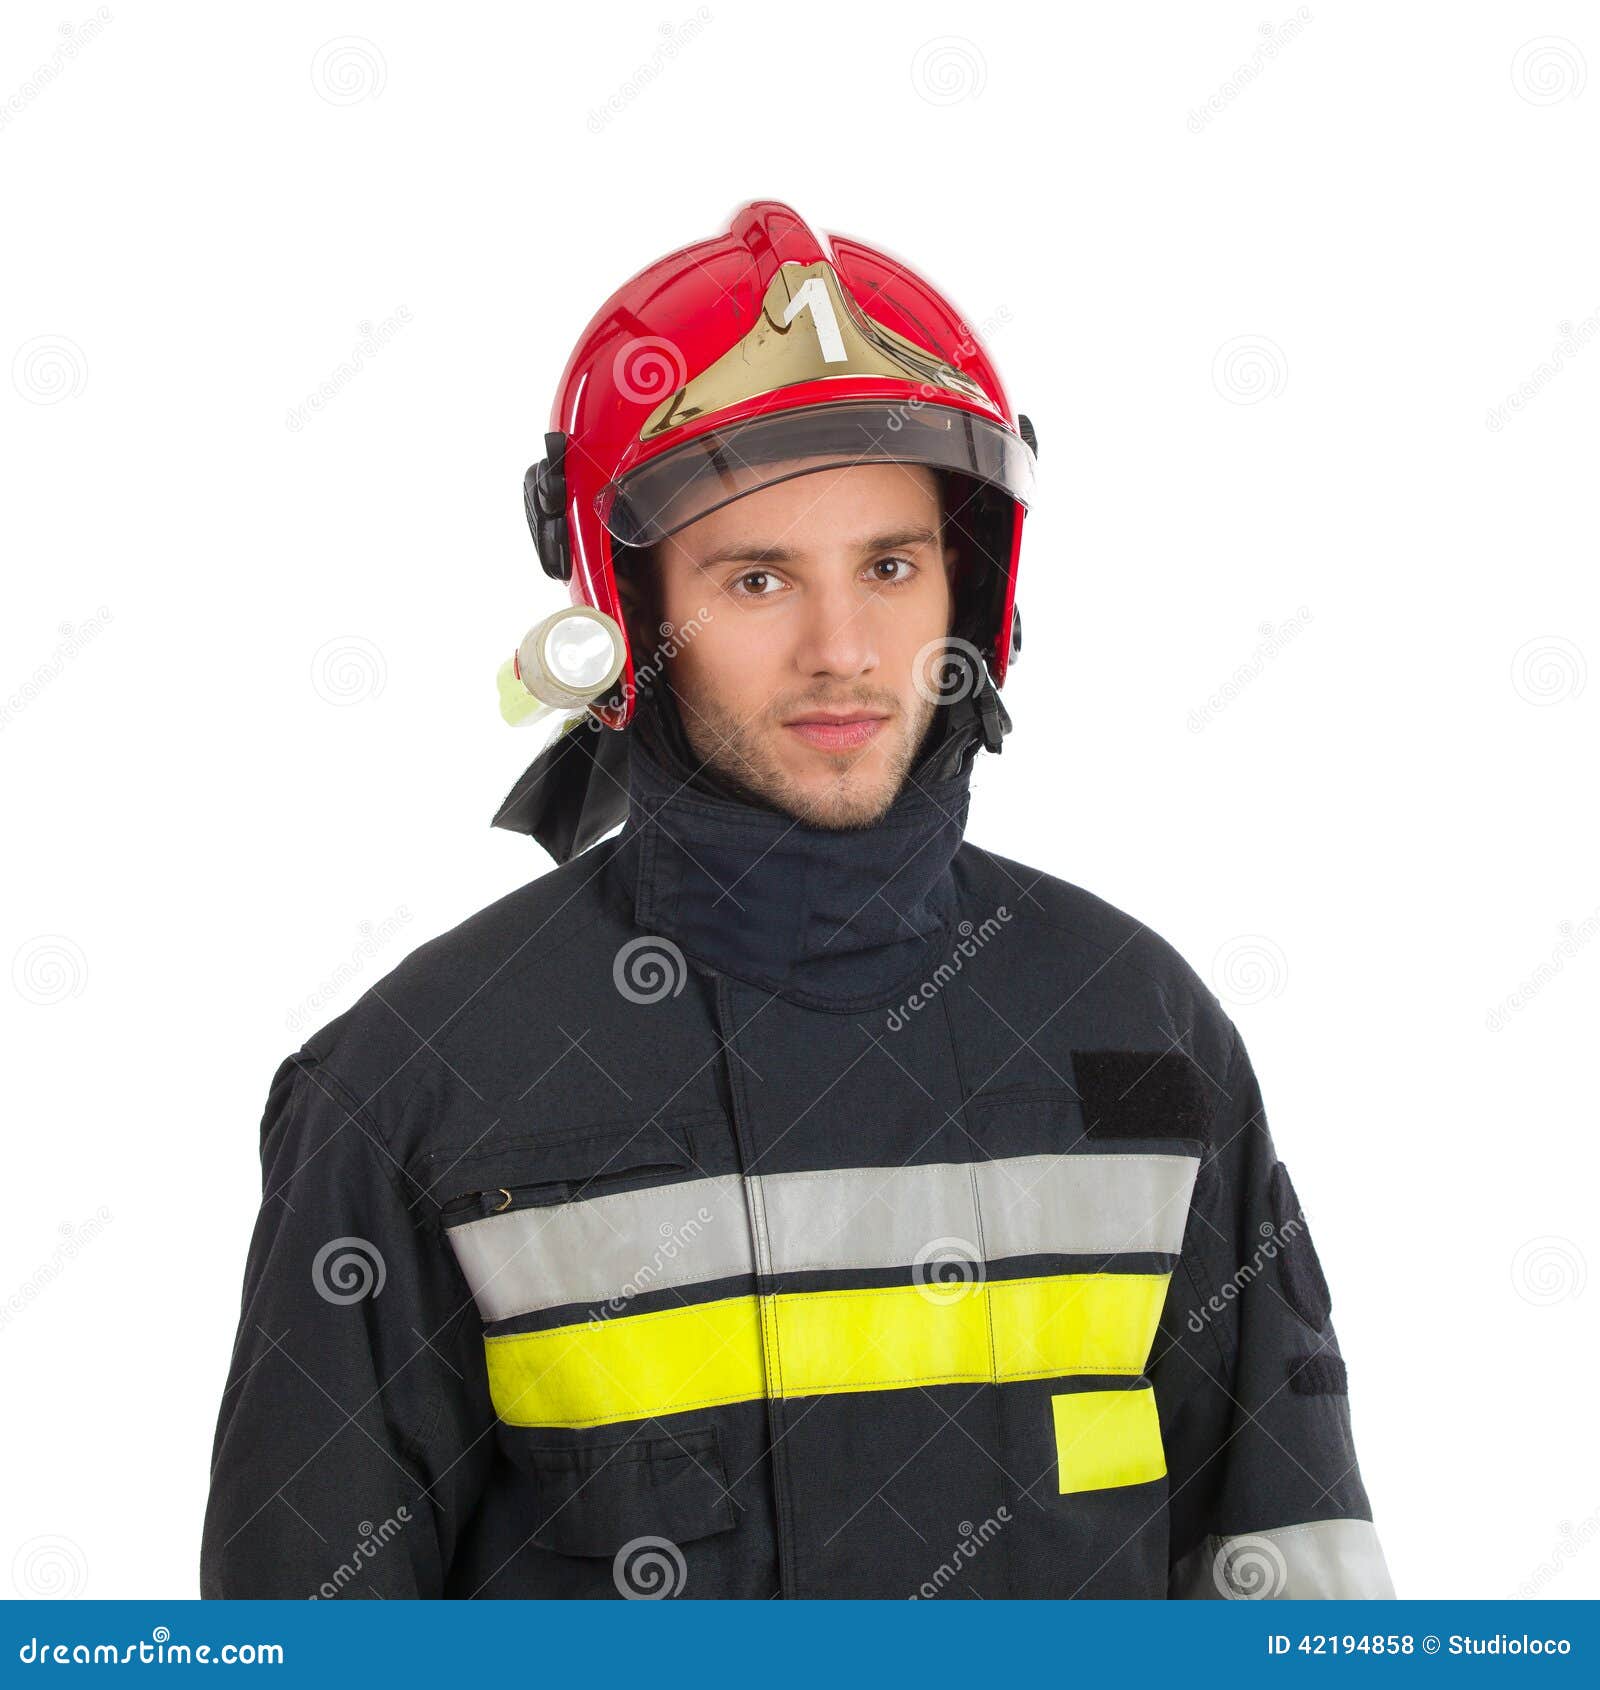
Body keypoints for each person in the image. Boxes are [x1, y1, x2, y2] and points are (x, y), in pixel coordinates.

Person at [200, 200, 1394, 1600]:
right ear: (632, 614)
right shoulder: (420, 1084)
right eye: (757, 577)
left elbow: (1292, 1577)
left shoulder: (1136, 1030)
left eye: (890, 566)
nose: (845, 650)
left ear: (972, 587)